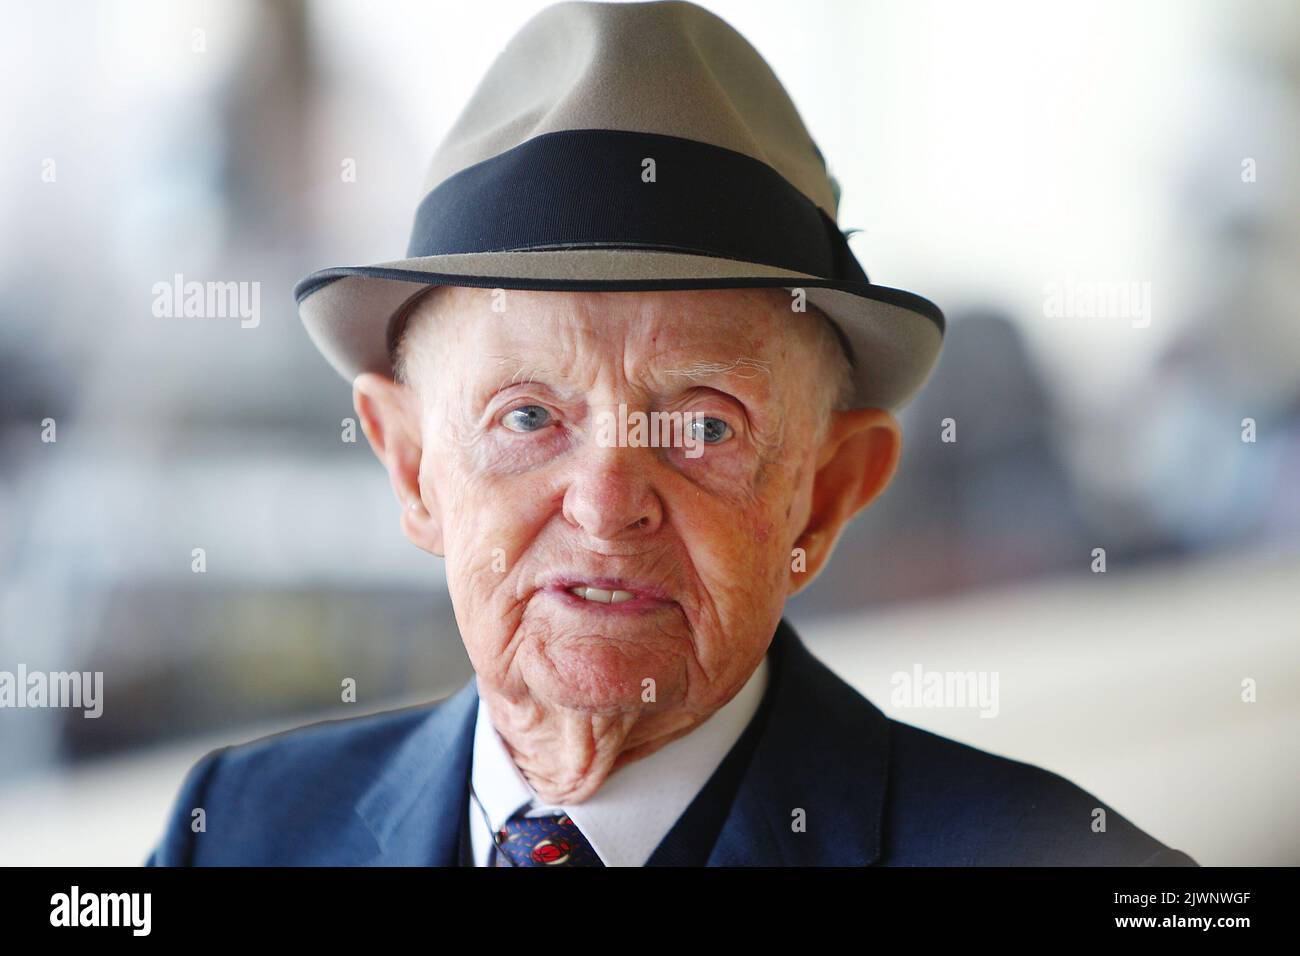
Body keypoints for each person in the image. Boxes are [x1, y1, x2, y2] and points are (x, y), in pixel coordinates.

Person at [148, 0, 1194, 866]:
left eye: (701, 422)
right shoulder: (238, 830)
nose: (606, 505)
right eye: (528, 416)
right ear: (412, 464)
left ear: (826, 492)